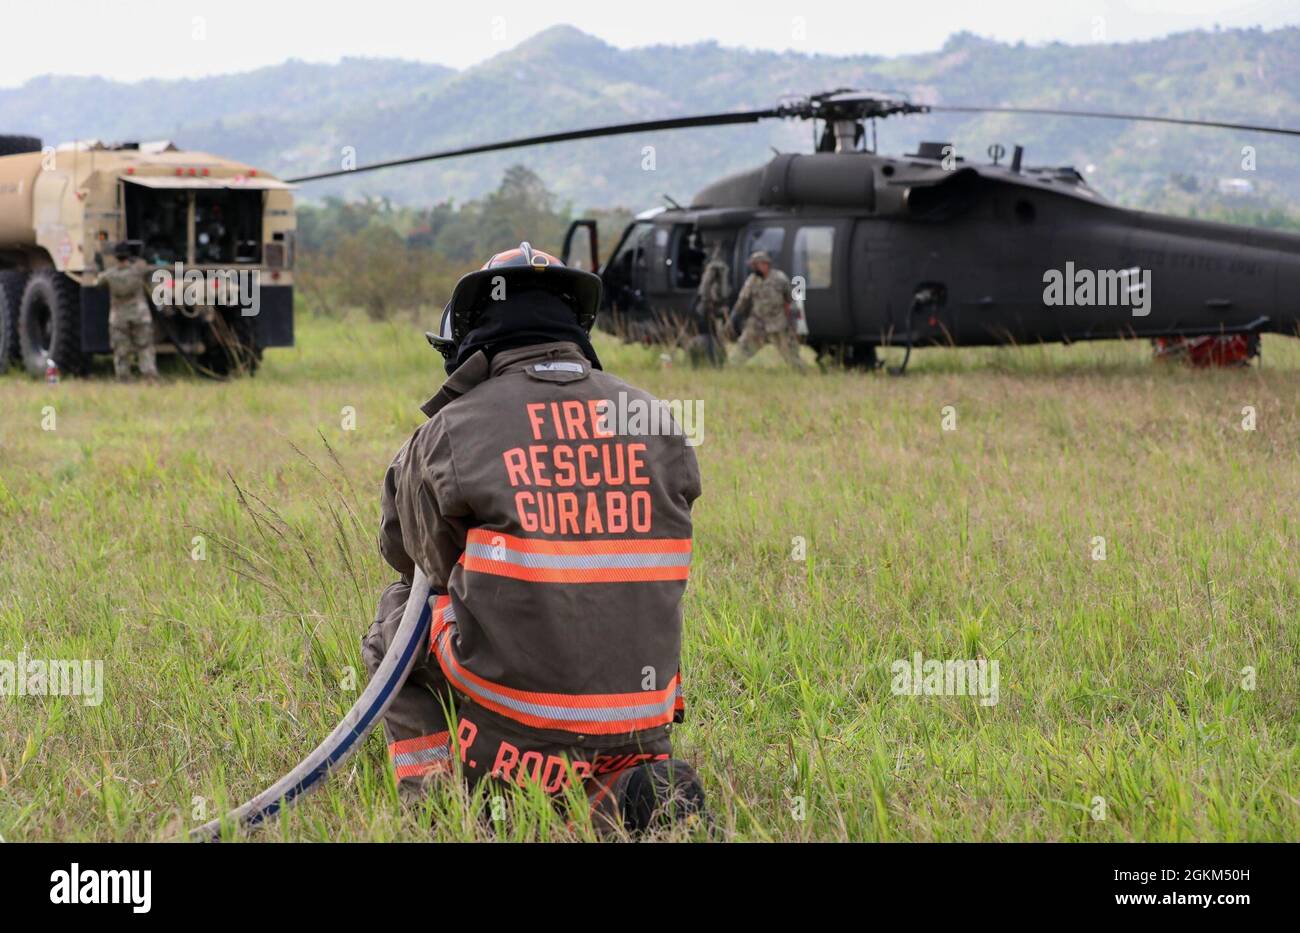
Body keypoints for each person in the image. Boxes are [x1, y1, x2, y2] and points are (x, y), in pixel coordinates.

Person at [363, 241, 707, 837]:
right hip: (640, 718)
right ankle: (618, 790)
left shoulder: (450, 431)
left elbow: (413, 561)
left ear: (472, 335)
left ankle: (441, 804)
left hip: (516, 730)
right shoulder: (657, 420)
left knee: (400, 613)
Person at [729, 249, 805, 369]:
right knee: (742, 350)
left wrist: (794, 323)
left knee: (791, 354)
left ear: (765, 265)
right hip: (757, 324)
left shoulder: (780, 279)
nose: (753, 268)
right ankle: (729, 371)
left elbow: (790, 300)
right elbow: (743, 300)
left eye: (756, 265)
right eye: (752, 265)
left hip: (777, 324)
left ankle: (802, 374)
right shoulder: (752, 280)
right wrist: (735, 315)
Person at [97, 243, 158, 382]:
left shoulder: (109, 275)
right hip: (140, 314)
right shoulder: (138, 270)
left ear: (115, 257)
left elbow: (98, 283)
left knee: (121, 350)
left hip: (118, 317)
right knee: (145, 347)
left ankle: (124, 378)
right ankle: (149, 376)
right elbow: (149, 269)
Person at [690, 241, 730, 366]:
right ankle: (717, 361)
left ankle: (715, 361)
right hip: (715, 308)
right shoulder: (721, 269)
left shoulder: (714, 269)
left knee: (712, 336)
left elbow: (705, 288)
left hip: (711, 308)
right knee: (716, 337)